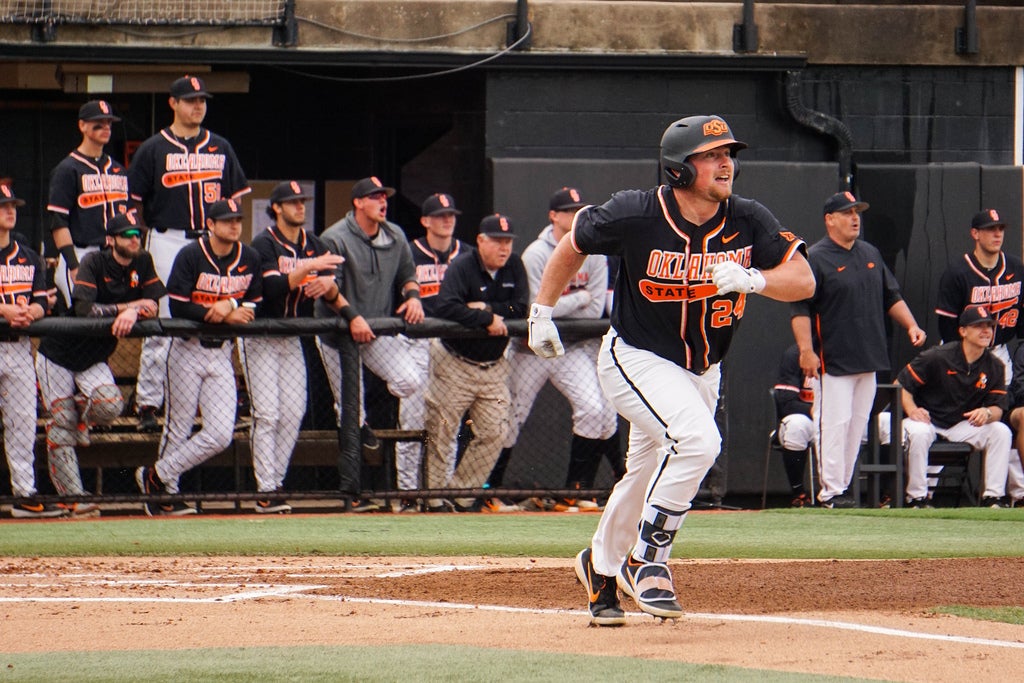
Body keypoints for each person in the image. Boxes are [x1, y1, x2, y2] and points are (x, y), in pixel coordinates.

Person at [527, 114, 815, 625]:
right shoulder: (637, 210)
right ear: (680, 169)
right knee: (699, 442)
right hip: (635, 356)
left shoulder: (748, 219)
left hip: (703, 369)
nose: (727, 163)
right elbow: (574, 241)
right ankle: (648, 558)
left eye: (730, 154)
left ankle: (599, 566)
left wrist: (754, 279)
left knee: (643, 473)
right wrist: (542, 310)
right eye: (712, 155)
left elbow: (804, 279)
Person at [128, 75, 250, 433]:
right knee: (162, 319)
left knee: (223, 313)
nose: (198, 105)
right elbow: (133, 202)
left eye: (202, 100)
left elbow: (235, 200)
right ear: (173, 103)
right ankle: (149, 402)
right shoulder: (153, 148)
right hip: (168, 238)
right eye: (190, 100)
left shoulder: (221, 147)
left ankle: (223, 398)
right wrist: (137, 245)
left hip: (212, 242)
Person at [791, 191, 926, 509]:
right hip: (833, 358)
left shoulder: (870, 252)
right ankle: (830, 492)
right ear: (830, 219)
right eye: (847, 212)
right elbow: (800, 309)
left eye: (858, 212)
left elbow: (891, 295)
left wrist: (911, 325)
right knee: (833, 424)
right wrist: (806, 351)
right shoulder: (815, 257)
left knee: (857, 424)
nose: (855, 218)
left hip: (869, 356)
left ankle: (842, 487)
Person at [135, 198, 261, 516]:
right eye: (227, 219)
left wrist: (230, 307)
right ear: (211, 225)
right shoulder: (190, 255)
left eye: (238, 219)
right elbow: (178, 306)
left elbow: (256, 300)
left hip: (221, 353)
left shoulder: (250, 256)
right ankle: (166, 494)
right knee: (178, 427)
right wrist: (213, 312)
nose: (234, 225)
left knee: (220, 434)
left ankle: (156, 475)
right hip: (186, 349)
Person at [497, 187, 620, 512]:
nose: (575, 213)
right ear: (553, 215)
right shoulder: (537, 253)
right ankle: (489, 491)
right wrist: (577, 299)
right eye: (568, 209)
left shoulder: (593, 252)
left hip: (572, 348)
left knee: (594, 409)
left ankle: (574, 489)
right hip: (531, 351)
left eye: (579, 208)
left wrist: (560, 304)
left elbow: (594, 311)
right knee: (513, 416)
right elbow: (536, 307)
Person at [36, 212, 164, 518]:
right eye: (128, 234)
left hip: (93, 356)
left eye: (137, 234)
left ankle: (79, 417)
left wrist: (134, 313)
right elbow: (83, 309)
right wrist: (128, 307)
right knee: (62, 423)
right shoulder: (94, 261)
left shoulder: (143, 261)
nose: (135, 239)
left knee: (109, 405)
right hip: (58, 352)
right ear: (111, 240)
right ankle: (75, 499)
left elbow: (154, 302)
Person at [316, 176, 424, 512]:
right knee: (351, 411)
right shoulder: (334, 237)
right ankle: (354, 491)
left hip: (375, 332)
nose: (383, 201)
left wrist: (413, 297)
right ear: (358, 203)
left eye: (384, 196)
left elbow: (408, 273)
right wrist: (351, 316)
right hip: (338, 333)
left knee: (411, 380)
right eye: (375, 197)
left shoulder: (395, 234)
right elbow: (328, 288)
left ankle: (376, 427)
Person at [243, 181, 346, 514]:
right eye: (292, 202)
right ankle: (265, 489)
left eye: (302, 201)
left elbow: (333, 282)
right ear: (276, 208)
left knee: (293, 412)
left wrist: (328, 282)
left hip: (292, 338)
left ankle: (276, 483)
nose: (300, 207)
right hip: (261, 335)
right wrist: (305, 269)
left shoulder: (313, 243)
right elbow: (271, 289)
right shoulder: (264, 243)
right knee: (267, 413)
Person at [423, 213, 528, 512]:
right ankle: (433, 500)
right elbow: (446, 305)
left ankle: (460, 496)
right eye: (497, 241)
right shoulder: (463, 265)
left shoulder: (515, 265)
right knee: (442, 430)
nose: (504, 248)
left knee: (496, 431)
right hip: (455, 363)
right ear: (481, 241)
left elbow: (521, 307)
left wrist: (486, 308)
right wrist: (488, 319)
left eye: (507, 242)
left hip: (493, 366)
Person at [391, 193, 471, 511]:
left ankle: (438, 494)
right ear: (425, 221)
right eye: (439, 215)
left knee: (447, 424)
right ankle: (407, 493)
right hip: (414, 344)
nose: (447, 219)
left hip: (452, 346)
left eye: (450, 214)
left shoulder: (467, 255)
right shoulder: (409, 253)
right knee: (411, 421)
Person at [897, 304, 1015, 508]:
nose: (986, 331)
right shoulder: (938, 356)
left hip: (959, 424)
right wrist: (912, 409)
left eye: (989, 326)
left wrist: (986, 413)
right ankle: (916, 498)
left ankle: (993, 497)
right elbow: (901, 385)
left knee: (1000, 431)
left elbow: (997, 408)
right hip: (927, 420)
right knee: (920, 432)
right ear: (963, 331)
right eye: (979, 326)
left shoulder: (995, 365)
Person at [0, 184, 66, 518]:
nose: (10, 210)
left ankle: (25, 494)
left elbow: (42, 300)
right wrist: (4, 310)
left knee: (23, 422)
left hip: (19, 348)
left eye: (13, 204)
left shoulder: (29, 256)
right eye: (3, 206)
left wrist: (32, 313)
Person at [46, 99, 129, 311]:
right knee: (80, 320)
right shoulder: (68, 169)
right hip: (82, 252)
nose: (106, 127)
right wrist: (74, 264)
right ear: (82, 125)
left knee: (106, 324)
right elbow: (58, 221)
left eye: (109, 123)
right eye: (98, 123)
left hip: (113, 255)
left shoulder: (117, 169)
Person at [935, 209, 1023, 368]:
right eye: (990, 229)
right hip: (960, 350)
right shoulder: (957, 273)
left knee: (1002, 392)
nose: (997, 234)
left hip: (998, 352)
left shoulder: (1017, 268)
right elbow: (947, 325)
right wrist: (958, 357)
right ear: (975, 233)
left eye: (1000, 229)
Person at [772, 344, 817, 507]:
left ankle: (886, 496)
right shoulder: (796, 354)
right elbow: (786, 402)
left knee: (884, 423)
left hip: (842, 422)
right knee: (796, 425)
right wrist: (818, 412)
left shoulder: (848, 353)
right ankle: (799, 494)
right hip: (811, 419)